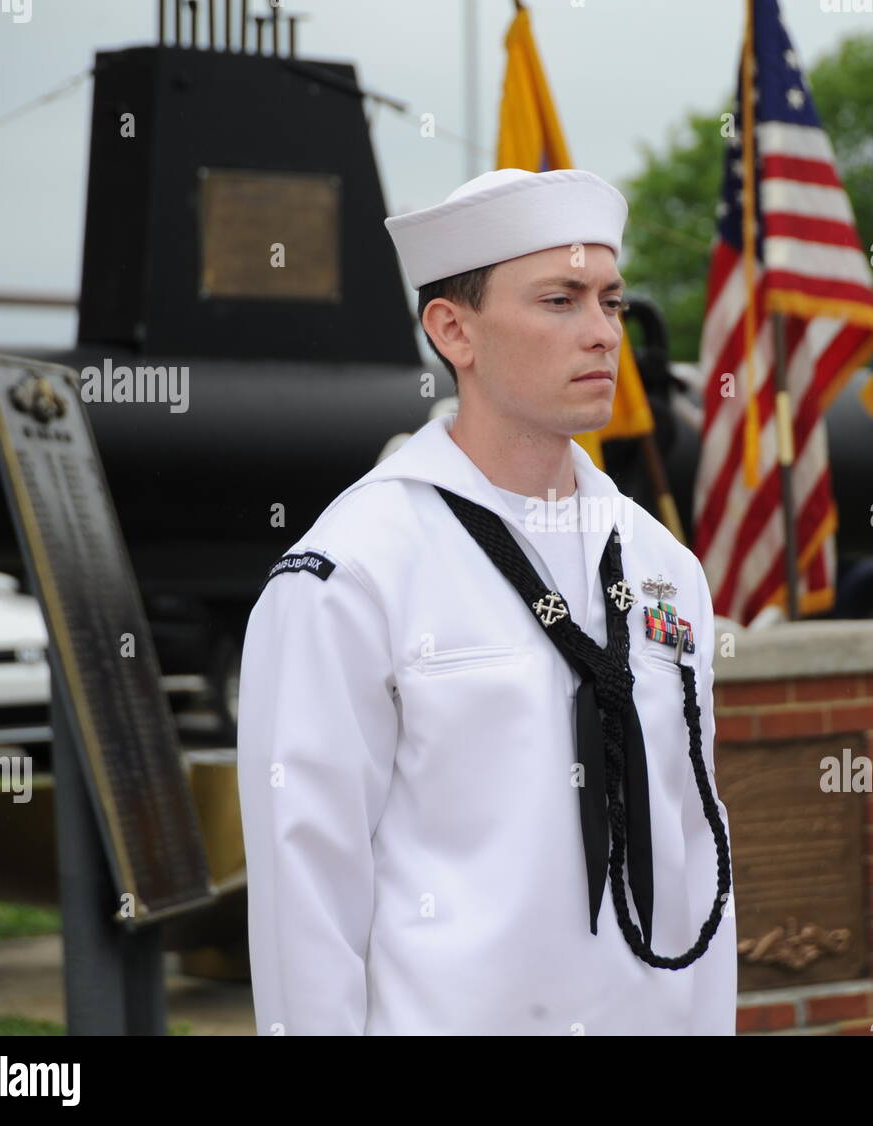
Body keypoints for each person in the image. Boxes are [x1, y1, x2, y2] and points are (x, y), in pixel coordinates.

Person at [236, 167, 737, 1035]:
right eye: (560, 300)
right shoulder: (351, 574)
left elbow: (696, 839)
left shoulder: (663, 565)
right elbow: (305, 891)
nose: (601, 335)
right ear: (453, 330)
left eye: (612, 303)